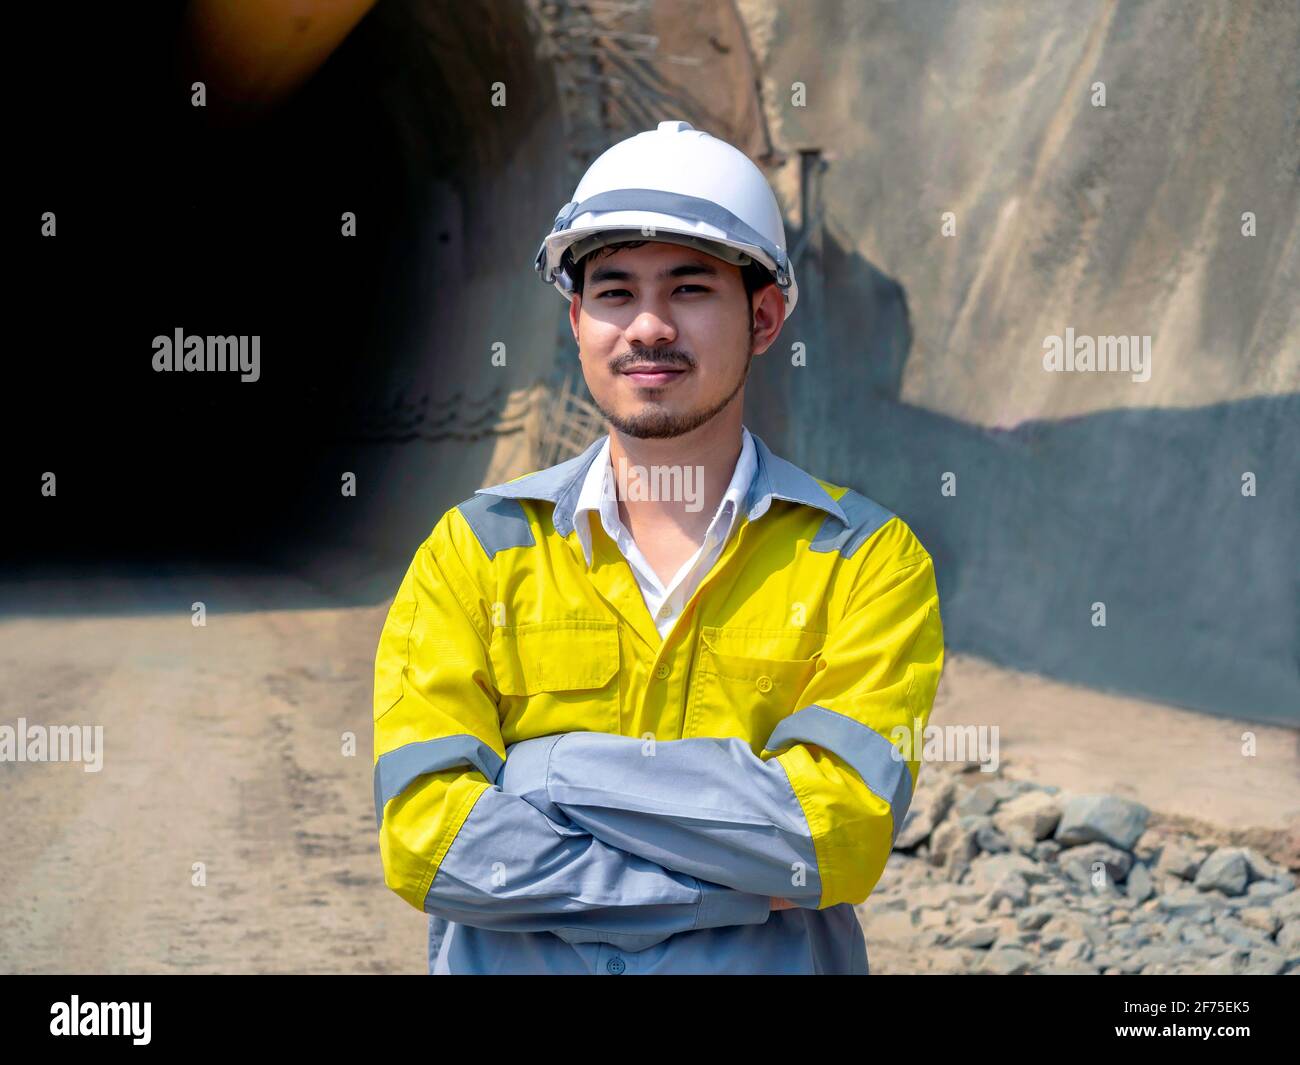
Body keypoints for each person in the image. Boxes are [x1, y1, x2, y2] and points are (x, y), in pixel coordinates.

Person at [373, 120, 944, 974]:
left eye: (688, 289)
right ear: (575, 320)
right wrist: (736, 876)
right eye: (613, 293)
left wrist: (546, 772)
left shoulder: (865, 561)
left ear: (763, 315)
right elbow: (429, 840)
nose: (647, 327)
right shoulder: (477, 552)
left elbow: (835, 840)